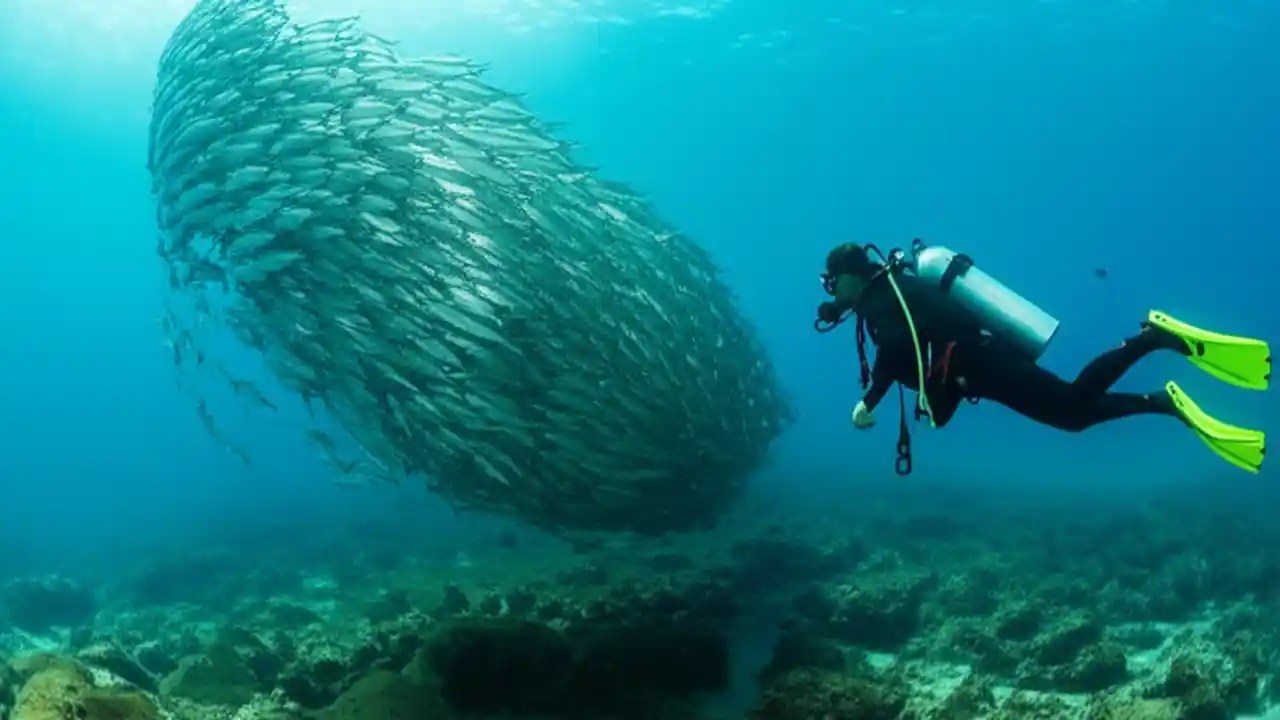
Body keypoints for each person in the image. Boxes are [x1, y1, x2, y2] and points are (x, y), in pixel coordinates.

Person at [815, 241, 1269, 474]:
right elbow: (902, 340)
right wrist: (836, 309)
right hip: (983, 369)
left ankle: (1151, 341)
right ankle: (1162, 400)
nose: (833, 291)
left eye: (834, 282)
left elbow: (895, 351)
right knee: (1072, 414)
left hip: (985, 365)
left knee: (1072, 406)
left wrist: (868, 401)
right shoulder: (888, 292)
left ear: (852, 276)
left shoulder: (883, 300)